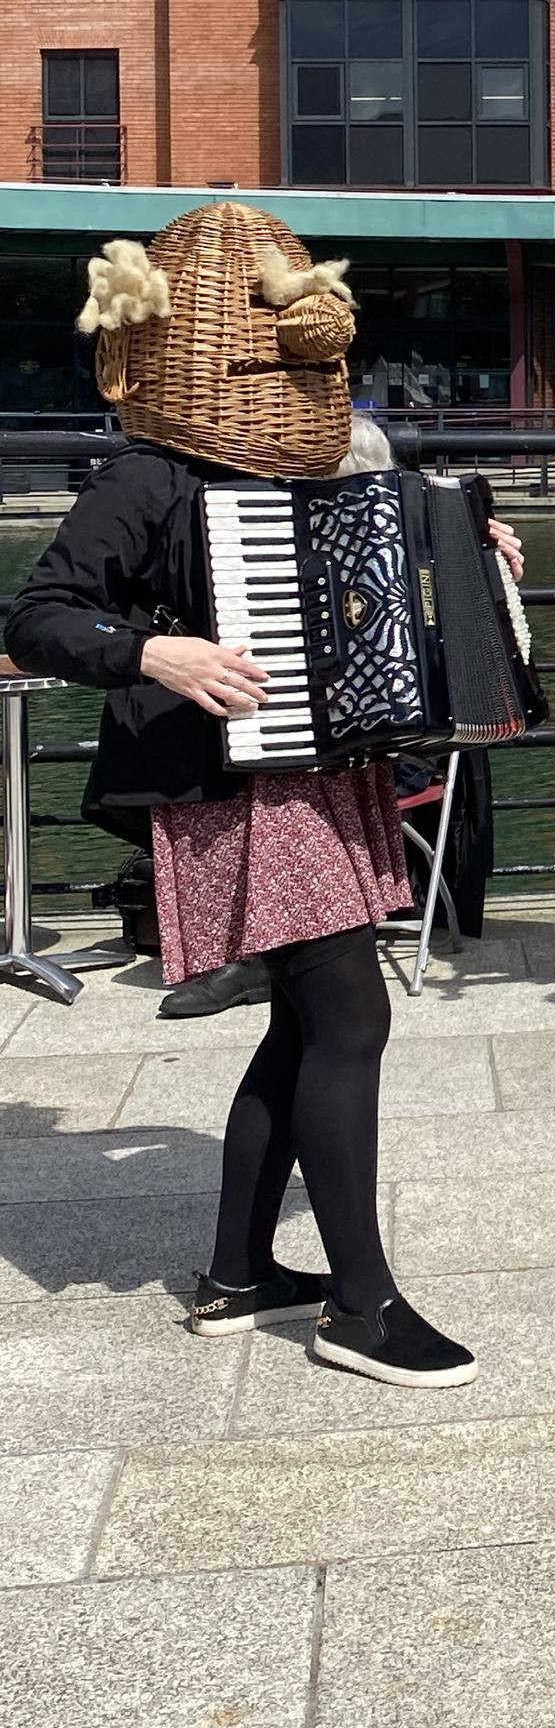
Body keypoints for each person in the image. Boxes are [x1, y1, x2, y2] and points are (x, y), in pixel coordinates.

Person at [5, 210, 476, 1388]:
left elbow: (369, 591)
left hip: (325, 772)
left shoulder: (301, 469)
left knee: (305, 1019)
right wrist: (155, 653)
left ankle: (237, 1275)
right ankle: (360, 1306)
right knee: (352, 1019)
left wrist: (460, 556)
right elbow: (38, 616)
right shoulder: (148, 473)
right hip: (232, 790)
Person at [153, 412, 520, 1018]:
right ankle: (267, 953)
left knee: (340, 1022)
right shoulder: (261, 540)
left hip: (387, 761)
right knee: (333, 1022)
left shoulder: (418, 532)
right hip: (301, 767)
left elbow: (470, 649)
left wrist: (493, 571)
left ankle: (270, 953)